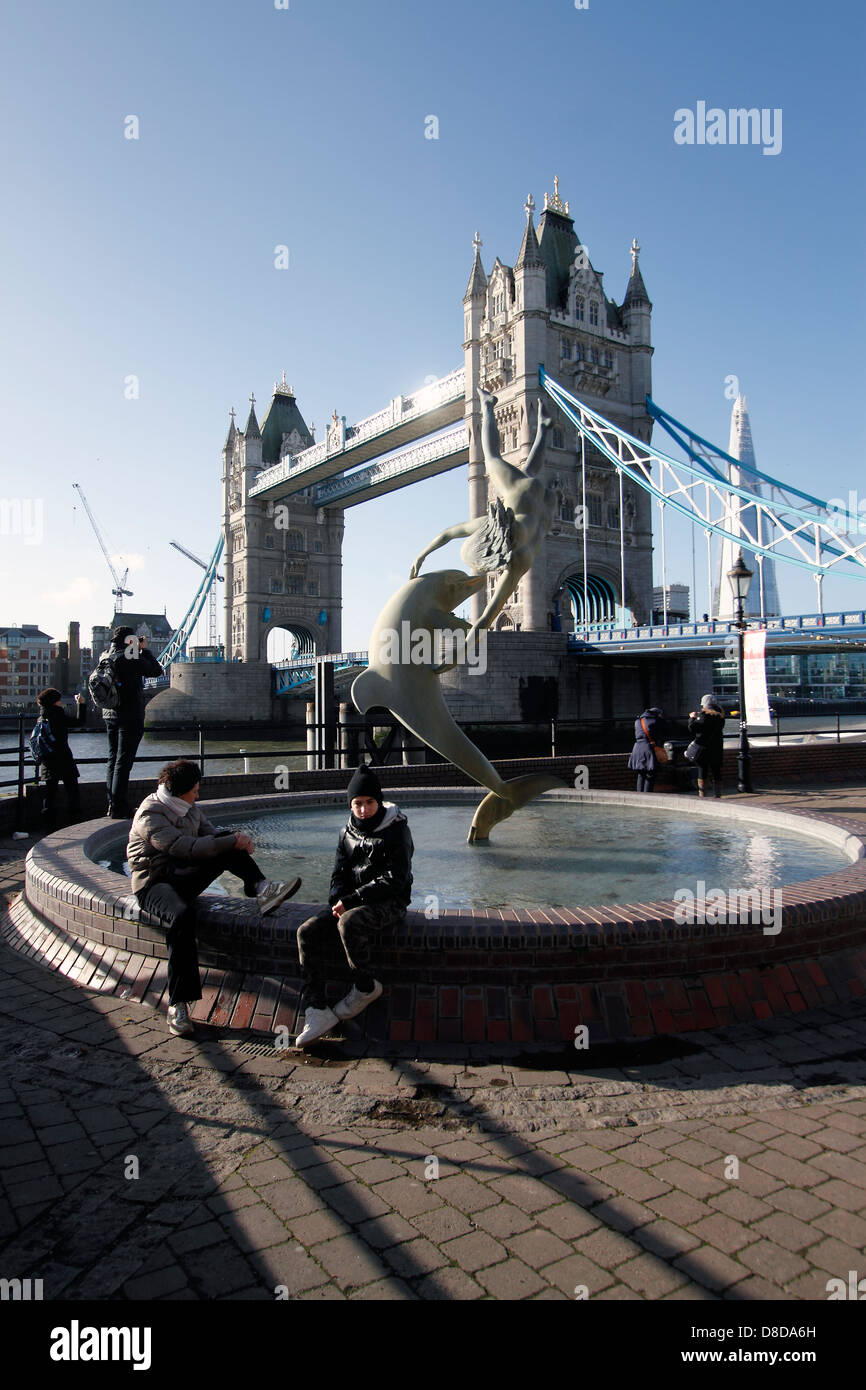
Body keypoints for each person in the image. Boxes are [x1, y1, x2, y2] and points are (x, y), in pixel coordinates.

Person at [127, 759, 301, 1036]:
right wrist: (230, 841)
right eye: (195, 790)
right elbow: (184, 847)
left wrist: (238, 839)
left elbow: (212, 836)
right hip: (155, 884)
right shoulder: (150, 814)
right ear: (181, 790)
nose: (198, 795)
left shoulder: (189, 808)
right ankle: (178, 1003)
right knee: (183, 916)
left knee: (229, 842)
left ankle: (263, 889)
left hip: (181, 876)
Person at [294, 763, 413, 1048]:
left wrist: (350, 901)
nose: (363, 809)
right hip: (350, 903)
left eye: (369, 802)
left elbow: (395, 879)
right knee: (306, 931)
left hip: (389, 902)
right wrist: (337, 899)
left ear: (379, 801)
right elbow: (339, 873)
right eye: (357, 804)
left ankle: (366, 985)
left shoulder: (397, 831)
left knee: (349, 922)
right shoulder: (345, 833)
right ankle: (317, 1009)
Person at [103, 625, 163, 819]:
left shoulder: (105, 655)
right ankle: (119, 807)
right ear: (130, 640)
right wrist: (144, 649)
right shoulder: (130, 655)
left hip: (109, 713)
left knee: (113, 760)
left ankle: (111, 804)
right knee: (123, 761)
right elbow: (156, 670)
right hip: (129, 714)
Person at [35, 687, 86, 826]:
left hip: (47, 760)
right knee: (72, 791)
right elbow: (80, 722)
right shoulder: (57, 715)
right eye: (59, 700)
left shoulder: (41, 718)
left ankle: (48, 825)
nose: (60, 702)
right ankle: (75, 822)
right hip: (63, 758)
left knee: (50, 793)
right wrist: (81, 704)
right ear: (55, 702)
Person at [688, 694, 726, 798]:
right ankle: (718, 795)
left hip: (704, 748)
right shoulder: (721, 716)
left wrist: (692, 718)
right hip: (717, 747)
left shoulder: (704, 715)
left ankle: (702, 795)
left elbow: (693, 728)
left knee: (702, 770)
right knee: (716, 771)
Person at [627, 705, 665, 793]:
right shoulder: (654, 721)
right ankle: (648, 795)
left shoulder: (638, 721)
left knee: (641, 774)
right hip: (648, 748)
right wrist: (660, 718)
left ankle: (639, 795)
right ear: (657, 714)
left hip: (637, 748)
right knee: (650, 774)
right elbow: (664, 728)